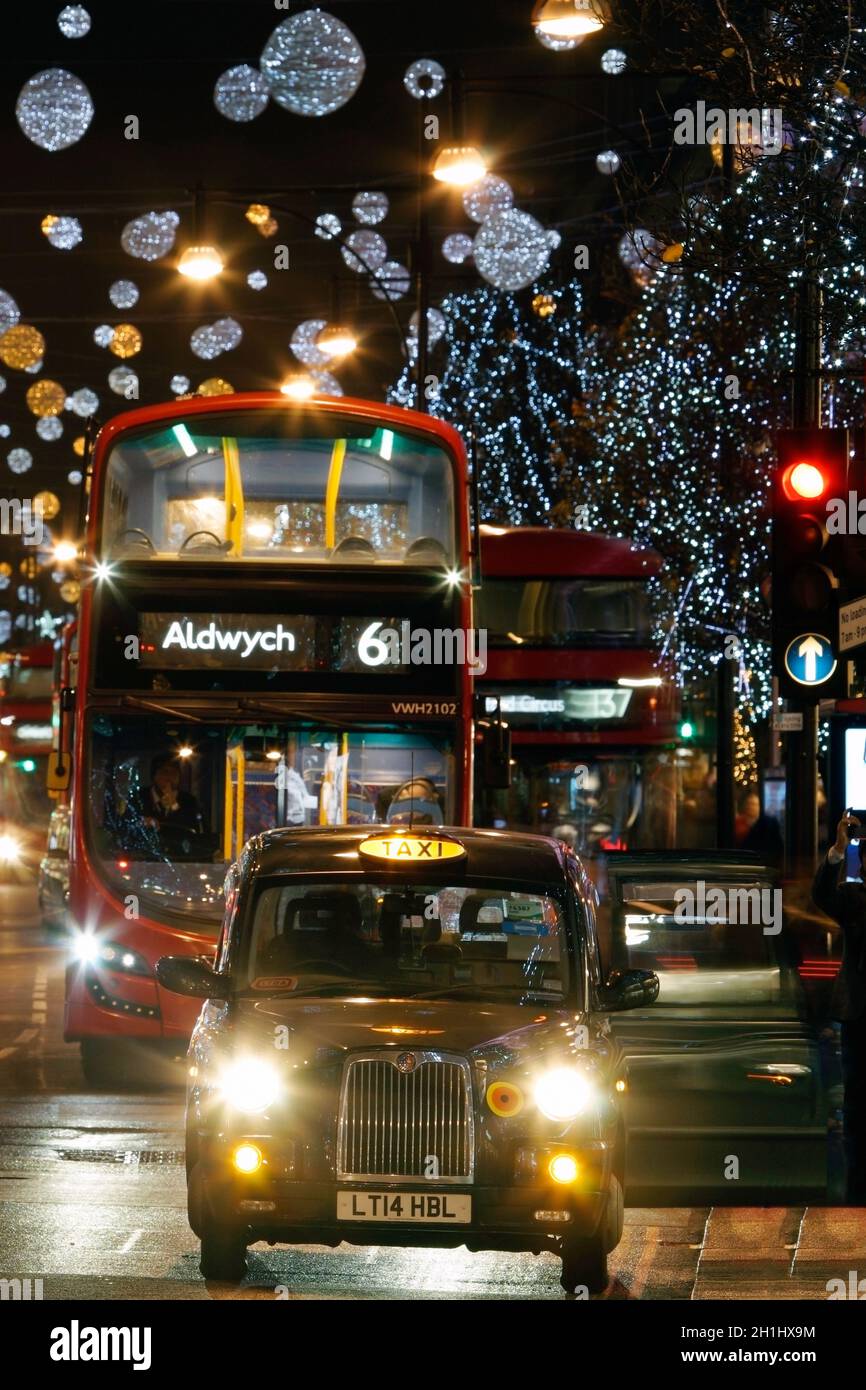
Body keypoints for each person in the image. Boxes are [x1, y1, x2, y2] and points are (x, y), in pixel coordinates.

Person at [812, 811, 866, 1201]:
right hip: (860, 1016)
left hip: (857, 1015)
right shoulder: (855, 900)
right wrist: (836, 851)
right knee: (857, 1107)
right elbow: (822, 895)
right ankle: (857, 1188)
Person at [142, 756, 203, 837]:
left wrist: (174, 806)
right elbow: (126, 823)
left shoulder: (188, 800)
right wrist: (142, 821)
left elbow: (197, 828)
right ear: (154, 776)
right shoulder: (140, 797)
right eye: (165, 772)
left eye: (174, 773)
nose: (169, 778)